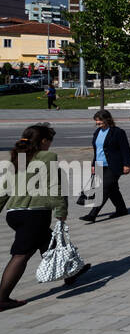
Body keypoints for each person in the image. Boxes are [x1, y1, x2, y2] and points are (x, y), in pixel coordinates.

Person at [0, 124, 92, 310]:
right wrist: (61, 212)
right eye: (50, 141)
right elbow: (55, 187)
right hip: (34, 213)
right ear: (43, 141)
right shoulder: (47, 157)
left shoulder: (17, 157)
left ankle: (70, 273)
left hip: (14, 213)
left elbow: (4, 189)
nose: (50, 145)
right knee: (21, 255)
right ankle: (2, 298)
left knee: (48, 241)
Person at [81, 110, 130, 223]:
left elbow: (125, 149)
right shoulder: (97, 132)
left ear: (107, 120)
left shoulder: (118, 132)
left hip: (113, 165)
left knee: (104, 188)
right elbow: (97, 150)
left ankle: (92, 214)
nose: (98, 124)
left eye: (100, 122)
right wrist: (93, 164)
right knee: (112, 189)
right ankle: (121, 209)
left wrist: (127, 164)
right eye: (96, 122)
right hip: (99, 165)